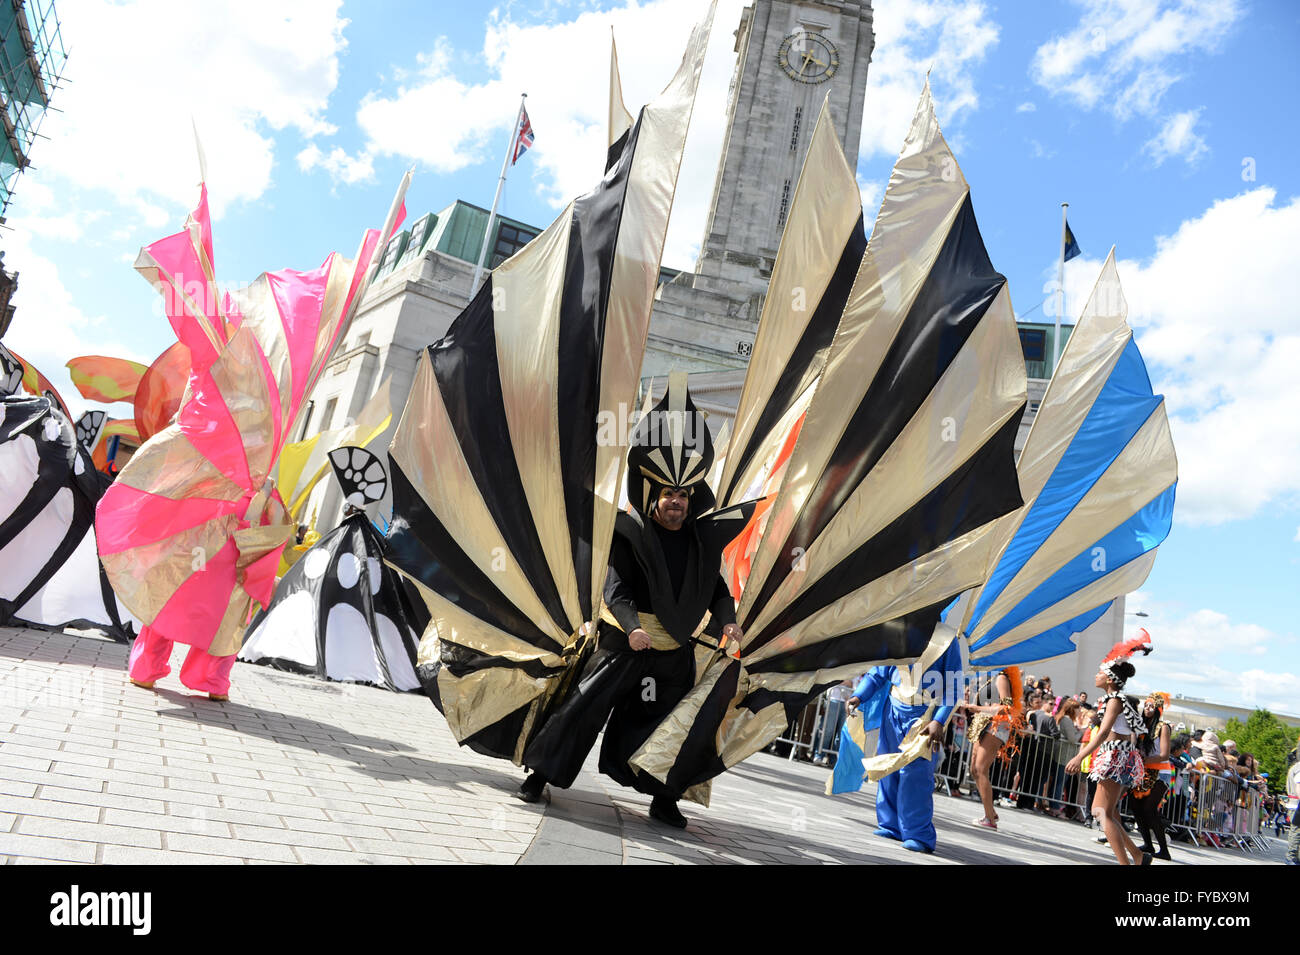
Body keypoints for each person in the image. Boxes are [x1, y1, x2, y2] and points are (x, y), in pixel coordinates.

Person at [518, 382, 746, 829]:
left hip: (672, 653)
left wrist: (729, 621)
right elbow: (615, 588)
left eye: (682, 495)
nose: (675, 502)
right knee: (582, 709)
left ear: (690, 499)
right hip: (624, 643)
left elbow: (718, 590)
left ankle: (664, 800)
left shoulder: (703, 542)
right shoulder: (630, 534)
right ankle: (539, 775)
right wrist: (630, 627)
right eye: (668, 495)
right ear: (654, 497)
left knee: (669, 725)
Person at [844, 633, 963, 853]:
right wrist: (859, 695)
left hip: (924, 716)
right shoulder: (898, 630)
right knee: (888, 767)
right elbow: (879, 672)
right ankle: (890, 823)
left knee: (916, 775)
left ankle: (919, 833)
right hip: (894, 711)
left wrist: (939, 720)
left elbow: (953, 686)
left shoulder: (947, 639)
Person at [1066, 634, 1154, 865]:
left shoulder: (1114, 700)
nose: (1096, 675)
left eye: (1100, 672)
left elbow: (1104, 733)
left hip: (1116, 755)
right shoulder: (1115, 699)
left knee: (1100, 812)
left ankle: (1127, 863)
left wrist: (1079, 756)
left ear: (1111, 678)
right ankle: (1137, 856)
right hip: (1120, 754)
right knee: (1110, 812)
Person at [956, 667, 1024, 830]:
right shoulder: (989, 676)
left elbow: (1006, 707)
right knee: (974, 769)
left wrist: (977, 708)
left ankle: (989, 819)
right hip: (984, 723)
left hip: (996, 725)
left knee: (980, 768)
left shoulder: (1001, 677)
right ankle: (991, 812)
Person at [1131, 692, 1174, 861]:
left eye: (1151, 706)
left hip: (1160, 773)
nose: (1148, 709)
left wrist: (1144, 759)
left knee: (1149, 808)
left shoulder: (1163, 727)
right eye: (1146, 705)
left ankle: (1164, 849)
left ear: (1158, 710)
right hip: (1143, 771)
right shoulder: (1141, 725)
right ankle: (1148, 843)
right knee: (1135, 806)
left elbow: (1164, 755)